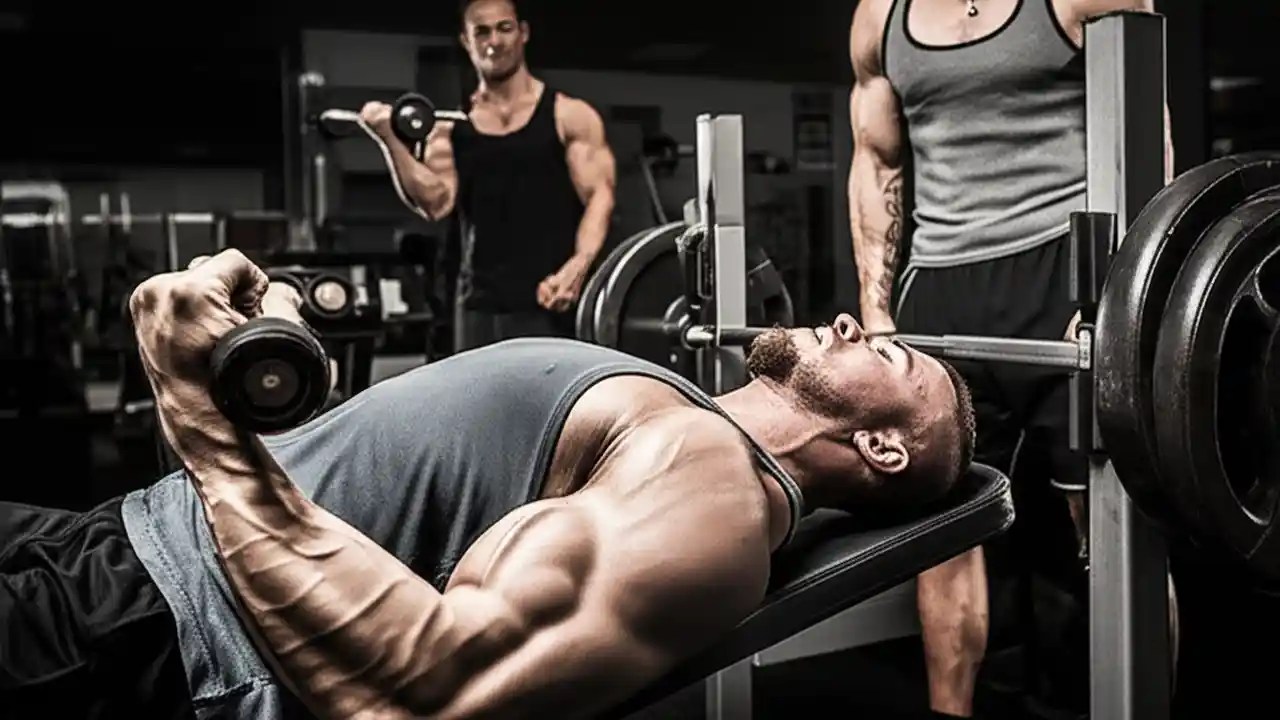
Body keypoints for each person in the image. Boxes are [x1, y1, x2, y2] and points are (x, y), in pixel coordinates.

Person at [1, 249, 976, 719]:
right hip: (126, 540)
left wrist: (199, 418)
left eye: (888, 357)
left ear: (882, 449)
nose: (851, 324)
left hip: (156, 626)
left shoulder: (712, 492)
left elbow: (433, 691)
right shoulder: (684, 423)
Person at [847, 0, 1175, 716]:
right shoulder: (880, 15)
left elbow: (1148, 130)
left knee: (1113, 532)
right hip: (939, 288)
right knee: (945, 533)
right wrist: (878, 314)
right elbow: (876, 162)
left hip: (1068, 277)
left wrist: (1123, 291)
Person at [359, 0, 617, 353]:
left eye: (504, 28)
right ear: (466, 41)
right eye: (481, 32)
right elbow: (435, 203)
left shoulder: (569, 115)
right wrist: (389, 139)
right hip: (478, 306)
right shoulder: (450, 127)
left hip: (550, 297)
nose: (494, 41)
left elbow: (600, 195)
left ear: (523, 33)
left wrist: (579, 264)